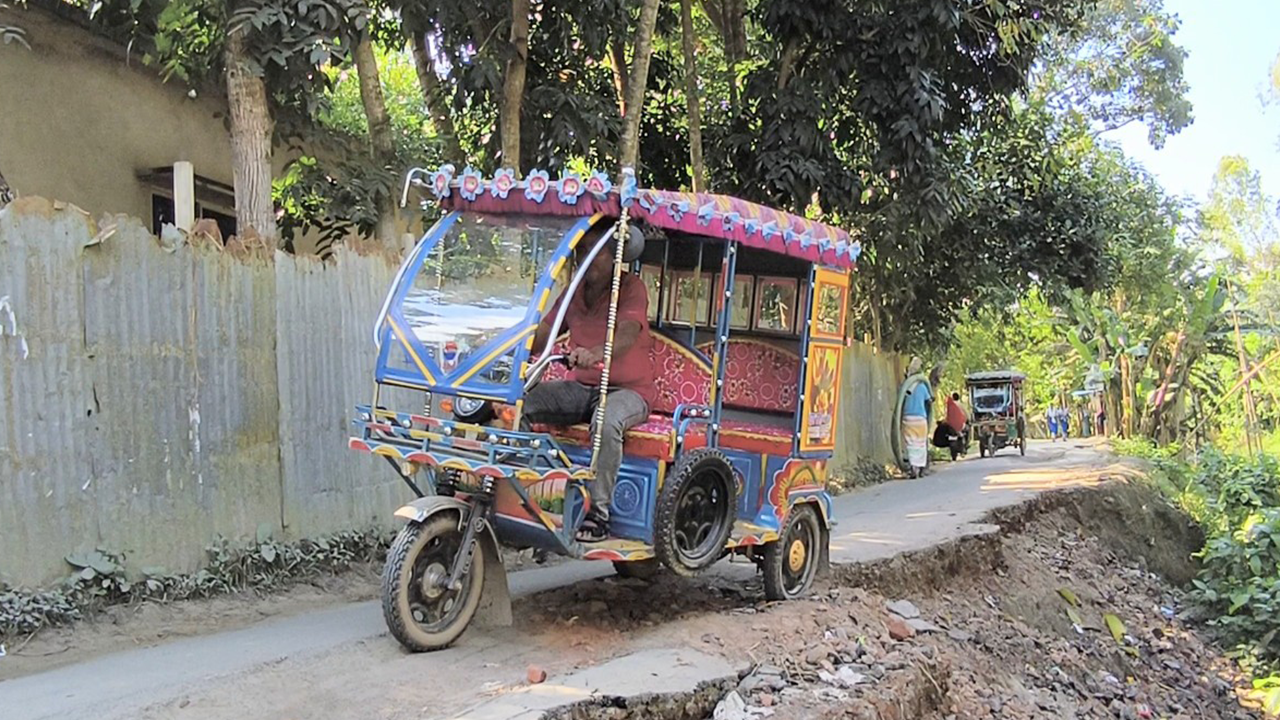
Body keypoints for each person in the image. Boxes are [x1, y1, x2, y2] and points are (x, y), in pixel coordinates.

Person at [524, 221, 655, 542]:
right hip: (582, 387)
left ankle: (599, 512)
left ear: (613, 256)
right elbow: (545, 331)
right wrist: (512, 347)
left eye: (593, 252)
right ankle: (532, 494)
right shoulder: (572, 291)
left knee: (607, 420)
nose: (585, 258)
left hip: (629, 390)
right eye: (581, 251)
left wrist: (596, 353)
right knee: (521, 402)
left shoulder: (631, 287)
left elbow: (627, 332)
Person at [901, 377, 933, 477]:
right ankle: (921, 468)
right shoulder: (923, 387)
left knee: (910, 442)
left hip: (907, 418)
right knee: (921, 443)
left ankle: (913, 467)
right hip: (920, 419)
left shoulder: (905, 387)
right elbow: (929, 401)